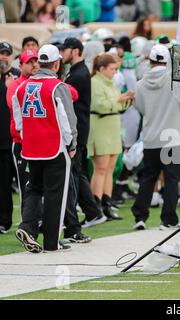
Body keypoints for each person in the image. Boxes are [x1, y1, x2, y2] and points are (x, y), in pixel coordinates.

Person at [13, 44, 78, 252]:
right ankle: (51, 242)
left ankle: (27, 227)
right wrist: (72, 143)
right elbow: (68, 119)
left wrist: (27, 137)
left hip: (31, 148)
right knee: (55, 195)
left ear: (39, 62)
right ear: (57, 63)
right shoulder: (58, 86)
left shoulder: (21, 87)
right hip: (54, 147)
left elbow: (18, 119)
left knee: (34, 188)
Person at [132, 44, 180, 230]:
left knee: (148, 178)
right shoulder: (175, 80)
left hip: (151, 137)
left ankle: (140, 216)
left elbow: (140, 108)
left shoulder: (140, 83)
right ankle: (169, 219)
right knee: (171, 179)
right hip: (173, 136)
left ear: (150, 60)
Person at [62, 37, 107, 232]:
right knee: (77, 173)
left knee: (75, 174)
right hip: (79, 130)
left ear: (75, 51)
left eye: (65, 50)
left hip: (77, 131)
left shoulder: (78, 75)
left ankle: (92, 212)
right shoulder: (76, 72)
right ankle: (93, 212)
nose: (63, 53)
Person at [87, 53, 134, 220]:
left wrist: (127, 100)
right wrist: (120, 99)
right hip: (100, 127)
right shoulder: (94, 82)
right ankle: (95, 207)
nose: (115, 71)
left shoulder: (111, 83)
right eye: (113, 68)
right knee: (100, 169)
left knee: (110, 168)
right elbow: (99, 105)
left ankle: (107, 204)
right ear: (102, 69)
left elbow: (117, 104)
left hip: (113, 127)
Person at [6, 50, 41, 232]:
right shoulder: (15, 86)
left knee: (39, 187)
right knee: (26, 186)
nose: (34, 65)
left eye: (36, 61)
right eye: (30, 62)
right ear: (21, 66)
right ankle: (26, 227)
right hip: (22, 143)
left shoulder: (40, 83)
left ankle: (39, 224)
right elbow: (16, 107)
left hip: (39, 145)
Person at [0, 41, 20, 234]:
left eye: (7, 53)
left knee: (23, 183)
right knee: (3, 184)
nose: (3, 57)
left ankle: (29, 221)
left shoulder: (16, 76)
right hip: (2, 140)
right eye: (1, 53)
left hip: (15, 138)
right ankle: (3, 221)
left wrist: (10, 87)